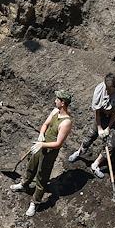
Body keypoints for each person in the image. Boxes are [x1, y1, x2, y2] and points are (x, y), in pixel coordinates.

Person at [11, 89, 74, 217]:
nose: (55, 101)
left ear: (63, 103)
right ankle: (24, 184)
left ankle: (35, 202)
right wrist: (41, 134)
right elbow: (45, 124)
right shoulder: (55, 111)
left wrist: (42, 144)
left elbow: (58, 143)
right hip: (41, 145)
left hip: (50, 151)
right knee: (31, 165)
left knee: (42, 176)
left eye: (57, 99)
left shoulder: (66, 122)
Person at [68, 73, 115, 180]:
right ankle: (79, 152)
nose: (108, 92)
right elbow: (97, 113)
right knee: (91, 135)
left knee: (111, 144)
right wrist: (99, 128)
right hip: (101, 115)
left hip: (110, 116)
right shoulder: (99, 91)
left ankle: (95, 165)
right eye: (107, 89)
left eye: (110, 90)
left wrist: (108, 128)